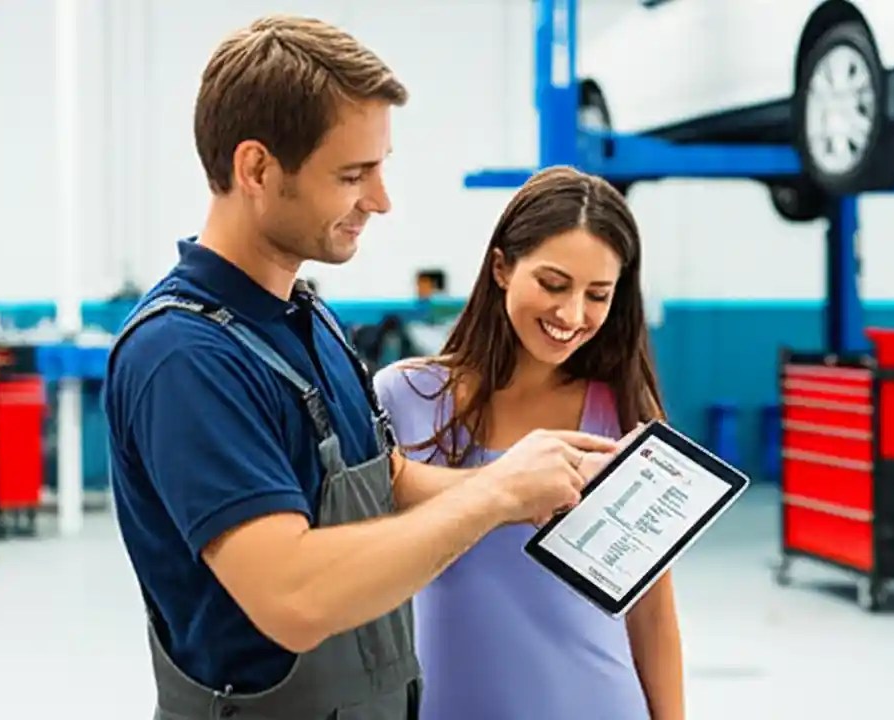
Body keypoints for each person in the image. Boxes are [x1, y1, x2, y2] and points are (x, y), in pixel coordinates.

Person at [102, 16, 618, 720]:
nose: (380, 199)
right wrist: (492, 496)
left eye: (380, 167)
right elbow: (293, 597)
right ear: (256, 169)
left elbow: (384, 480)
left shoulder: (306, 318)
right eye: (353, 174)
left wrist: (527, 483)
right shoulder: (185, 359)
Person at [373, 166, 686, 720]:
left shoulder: (620, 414)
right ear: (501, 268)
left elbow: (652, 612)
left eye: (598, 294)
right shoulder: (405, 396)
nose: (572, 315)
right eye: (553, 283)